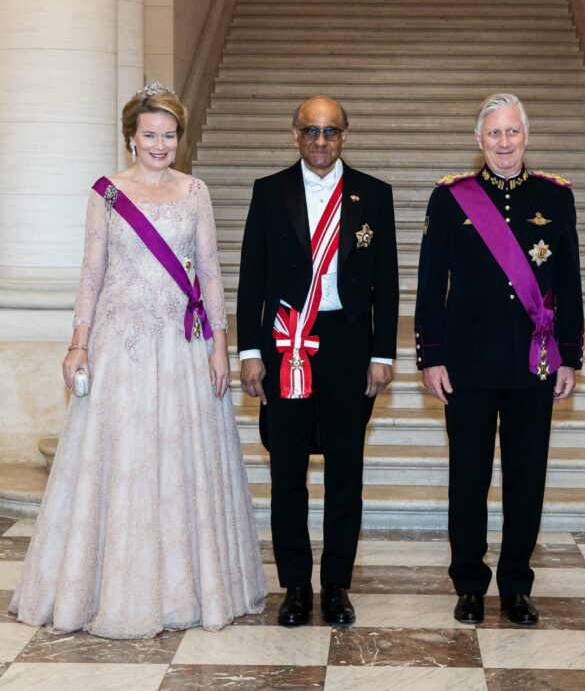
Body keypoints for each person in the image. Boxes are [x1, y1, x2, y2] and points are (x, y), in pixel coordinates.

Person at [10, 84, 266, 639]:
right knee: (123, 460)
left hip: (182, 344)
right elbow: (90, 273)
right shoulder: (106, 194)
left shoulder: (195, 191)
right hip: (120, 343)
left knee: (180, 462)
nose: (159, 144)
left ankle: (185, 589)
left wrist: (220, 343)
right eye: (149, 134)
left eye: (169, 135)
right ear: (131, 137)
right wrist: (78, 343)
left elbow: (212, 272)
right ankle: (105, 588)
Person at [414, 93, 584, 625]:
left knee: (526, 476)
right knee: (467, 475)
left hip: (533, 364)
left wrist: (571, 356)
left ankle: (515, 584)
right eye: (494, 134)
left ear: (526, 137)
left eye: (512, 132)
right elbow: (428, 285)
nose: (504, 143)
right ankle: (468, 582)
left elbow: (571, 283)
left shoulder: (555, 198)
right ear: (478, 140)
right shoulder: (450, 198)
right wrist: (430, 356)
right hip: (466, 363)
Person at [237, 96, 399, 627]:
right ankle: (296, 588)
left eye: (330, 132)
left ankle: (335, 586)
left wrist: (382, 353)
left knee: (345, 471)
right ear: (295, 135)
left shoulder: (373, 195)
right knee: (287, 470)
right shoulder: (269, 192)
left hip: (348, 343)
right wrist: (249, 351)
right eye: (311, 131)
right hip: (285, 338)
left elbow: (387, 282)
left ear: (345, 137)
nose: (321, 141)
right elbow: (252, 277)